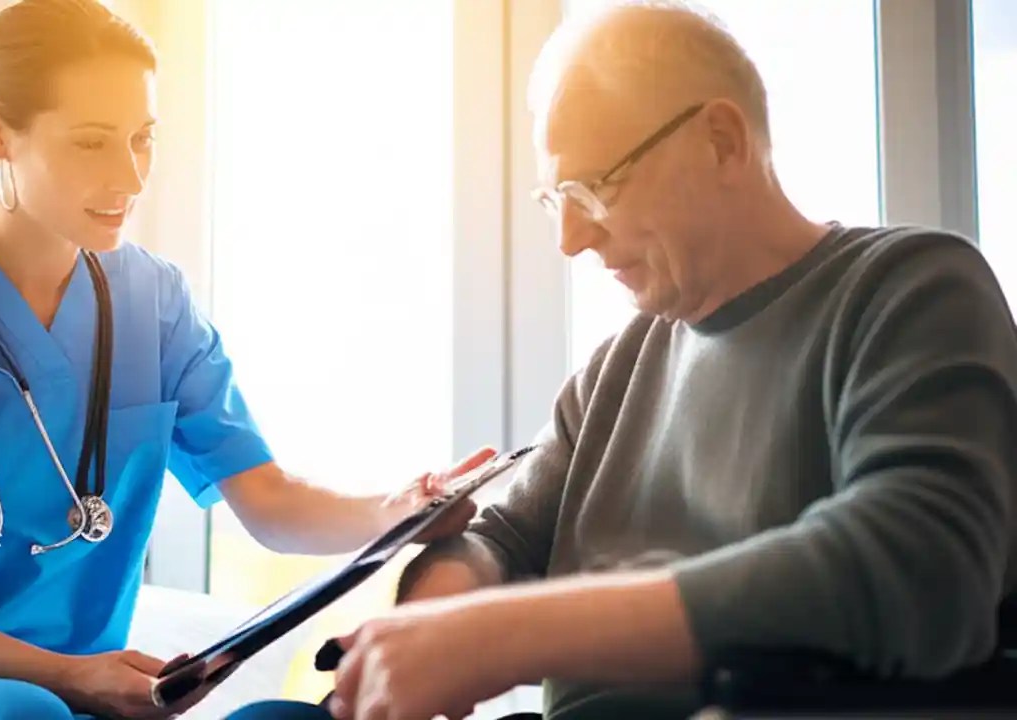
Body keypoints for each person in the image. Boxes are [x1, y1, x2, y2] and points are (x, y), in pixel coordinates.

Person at [0, 2, 492, 719]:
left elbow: (269, 502)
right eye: (92, 141)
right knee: (17, 709)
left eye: (143, 138)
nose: (131, 179)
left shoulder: (154, 303)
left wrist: (396, 514)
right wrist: (72, 678)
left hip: (68, 694)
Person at [312, 2, 1017, 719]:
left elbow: (923, 567)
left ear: (721, 141)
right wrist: (427, 630)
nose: (570, 239)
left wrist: (505, 637)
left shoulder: (909, 287)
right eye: (555, 198)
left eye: (594, 188)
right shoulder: (609, 379)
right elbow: (503, 540)